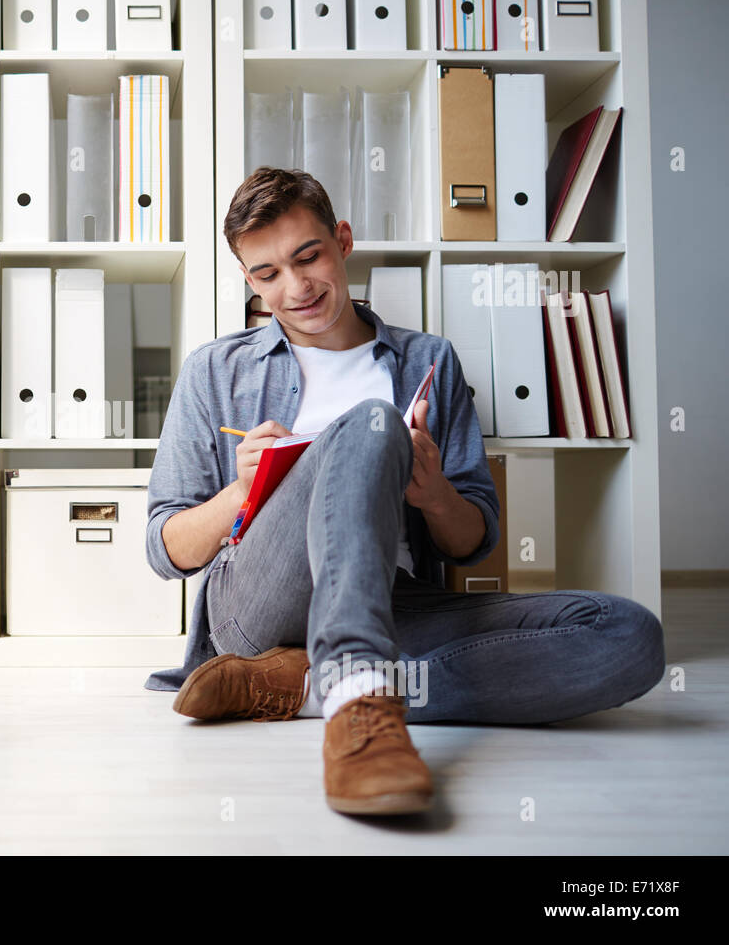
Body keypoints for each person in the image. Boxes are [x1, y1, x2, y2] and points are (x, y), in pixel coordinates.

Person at [143, 167, 666, 816]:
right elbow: (165, 549)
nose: (296, 287)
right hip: (257, 605)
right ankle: (358, 695)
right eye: (267, 273)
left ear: (342, 240)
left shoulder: (429, 362)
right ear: (249, 279)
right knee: (371, 420)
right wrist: (240, 493)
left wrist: (434, 492)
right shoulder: (214, 371)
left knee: (627, 636)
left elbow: (473, 542)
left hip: (394, 603)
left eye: (308, 257)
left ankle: (304, 686)